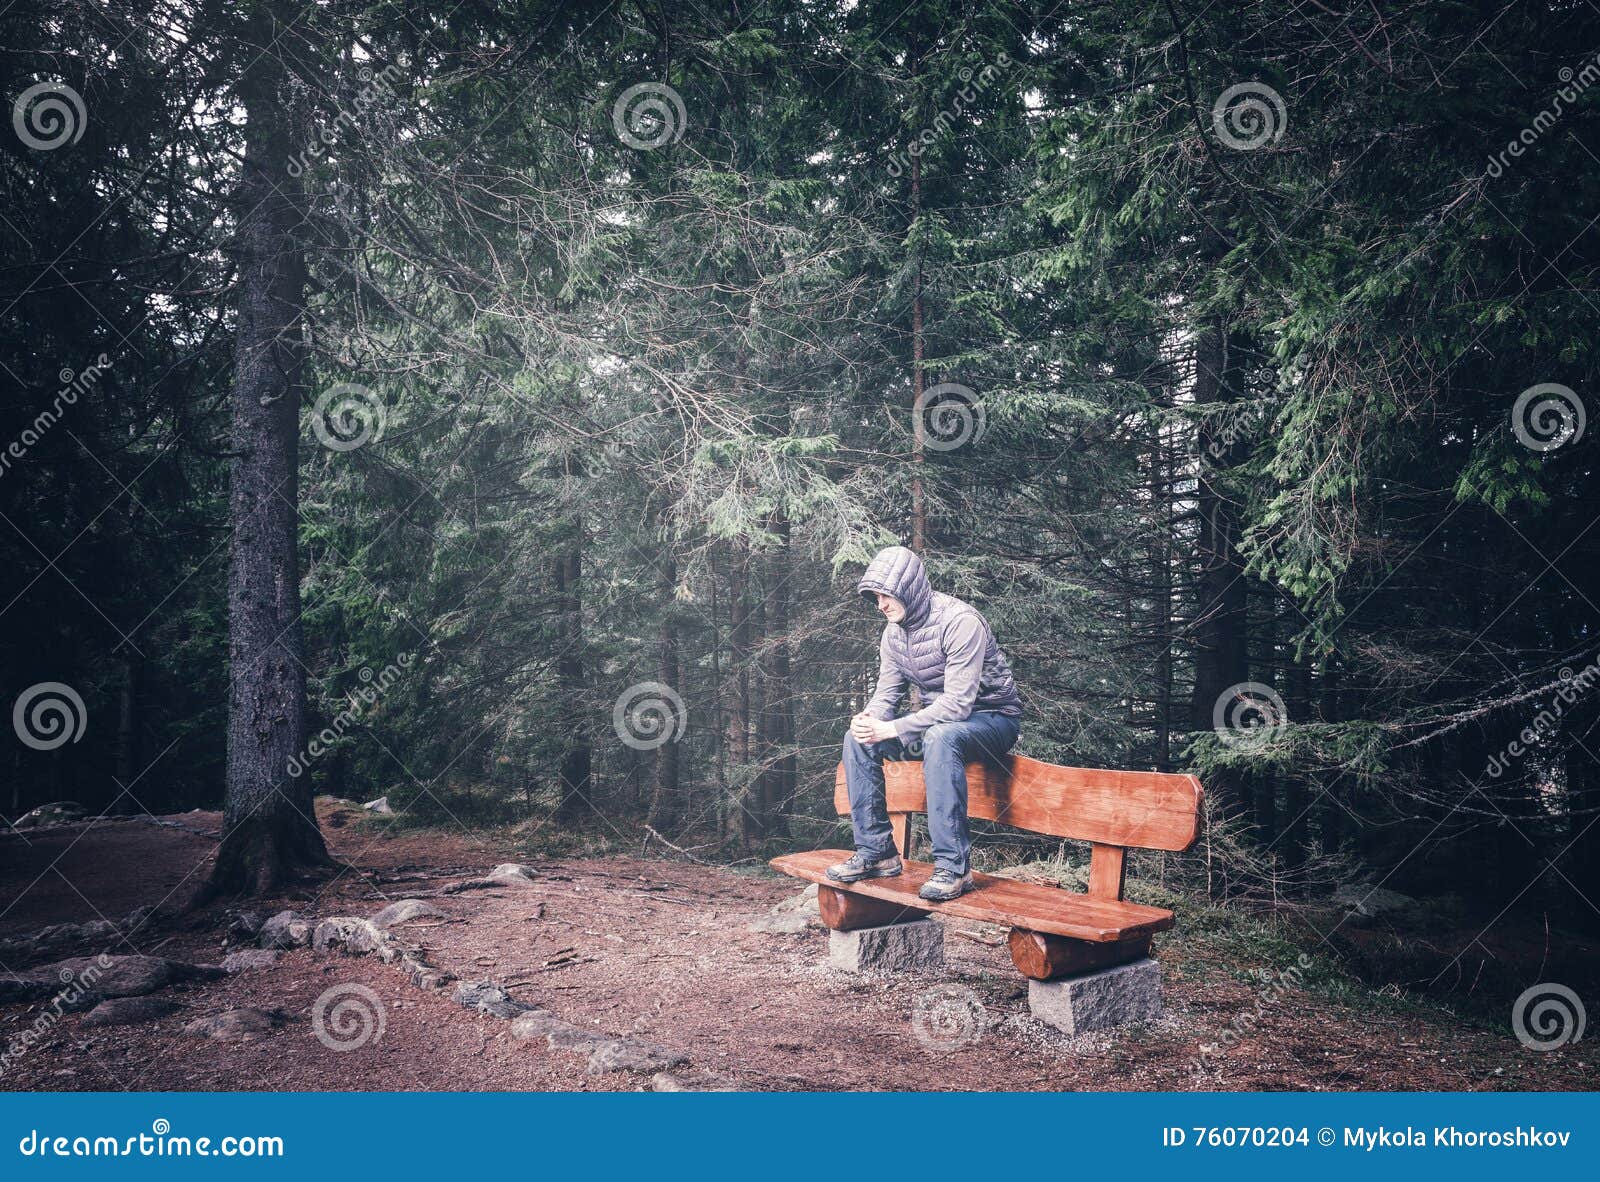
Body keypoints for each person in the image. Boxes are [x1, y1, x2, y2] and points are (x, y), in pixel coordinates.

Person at [828, 545, 1022, 901]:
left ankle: (953, 868)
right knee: (859, 739)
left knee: (941, 737)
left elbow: (959, 705)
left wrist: (896, 729)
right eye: (876, 597)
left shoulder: (960, 622)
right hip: (939, 726)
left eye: (886, 595)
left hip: (993, 719)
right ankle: (877, 853)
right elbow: (886, 695)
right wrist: (868, 720)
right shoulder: (893, 634)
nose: (880, 604)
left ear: (910, 589)